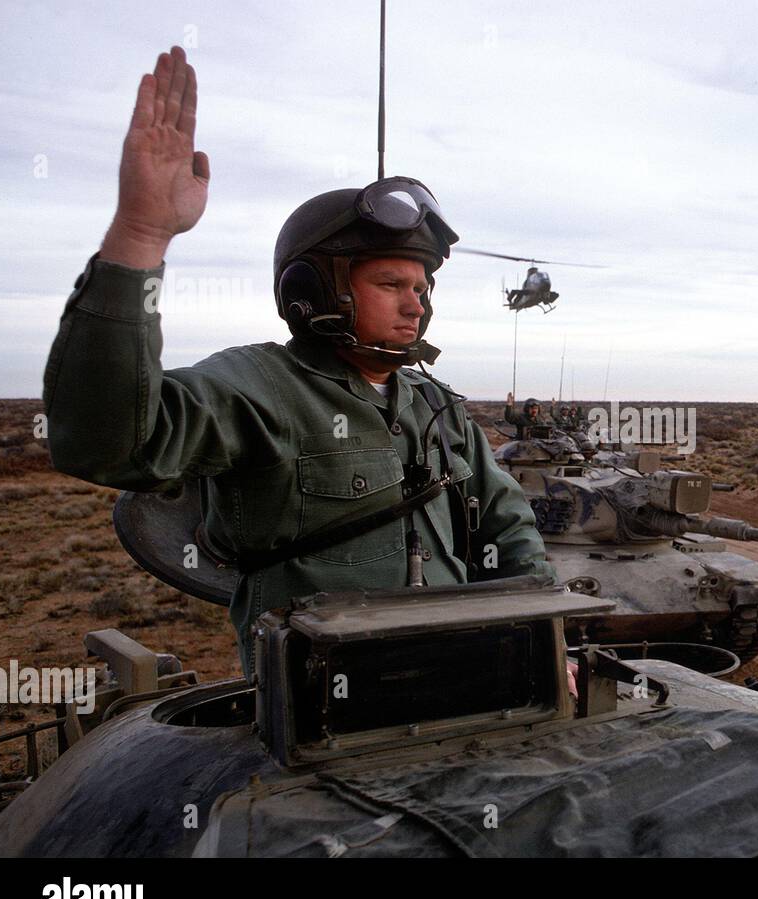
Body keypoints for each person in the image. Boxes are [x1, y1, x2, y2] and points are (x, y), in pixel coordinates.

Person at [42, 46, 555, 678]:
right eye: (392, 285)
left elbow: (509, 526)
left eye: (422, 289)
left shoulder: (435, 406)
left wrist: (541, 634)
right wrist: (141, 236)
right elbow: (106, 440)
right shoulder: (259, 387)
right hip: (319, 712)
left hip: (462, 683)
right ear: (314, 290)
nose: (415, 305)